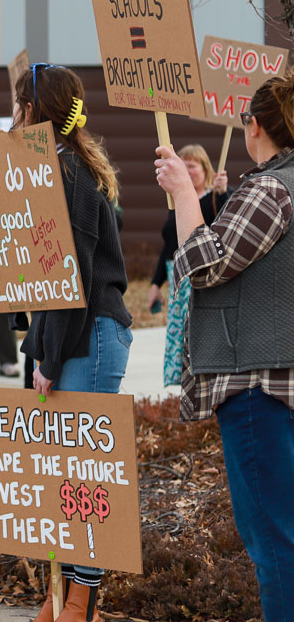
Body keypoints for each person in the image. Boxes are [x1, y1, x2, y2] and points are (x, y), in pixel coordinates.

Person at [0, 64, 132, 622]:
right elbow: (47, 281)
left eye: (19, 104)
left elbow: (77, 281)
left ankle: (82, 599)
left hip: (89, 337)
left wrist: (47, 357)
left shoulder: (69, 174)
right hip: (75, 335)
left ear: (35, 110)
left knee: (85, 477)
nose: (13, 114)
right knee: (63, 477)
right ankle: (60, 591)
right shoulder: (54, 169)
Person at [156, 74, 294, 619]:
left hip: (259, 386)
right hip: (275, 381)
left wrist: (185, 194)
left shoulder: (271, 188)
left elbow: (205, 264)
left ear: (253, 125)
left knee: (273, 540)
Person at [146, 144, 231, 388]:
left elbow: (225, 224)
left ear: (206, 169)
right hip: (176, 280)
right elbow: (168, 245)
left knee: (197, 333)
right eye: (183, 166)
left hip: (198, 277)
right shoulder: (177, 202)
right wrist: (155, 285)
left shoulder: (215, 198)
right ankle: (180, 384)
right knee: (177, 336)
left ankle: (203, 382)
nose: (187, 171)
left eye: (191, 166)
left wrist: (223, 192)